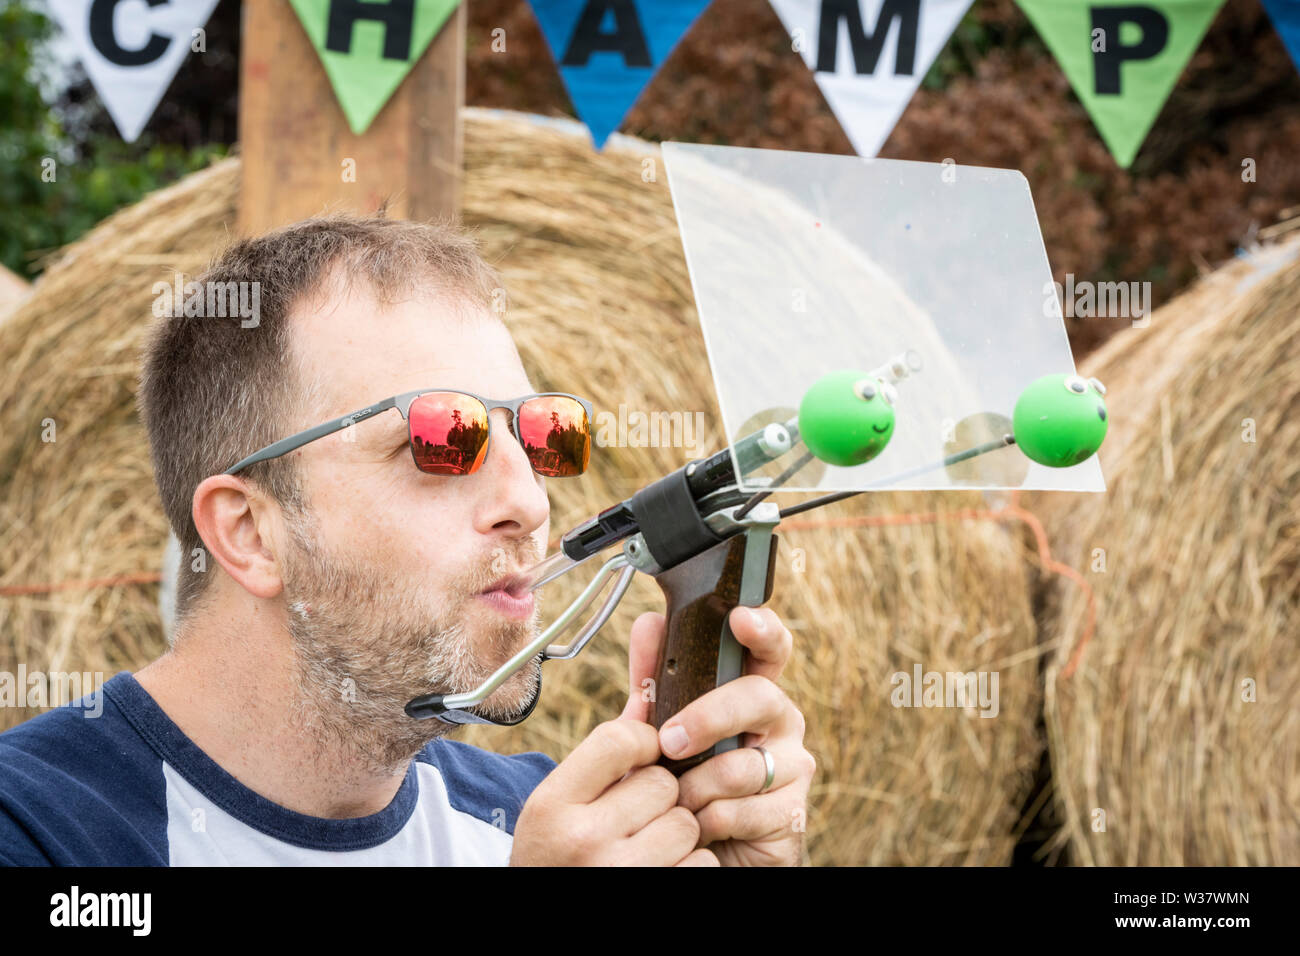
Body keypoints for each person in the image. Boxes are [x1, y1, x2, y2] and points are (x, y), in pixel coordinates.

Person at [0, 214, 814, 866]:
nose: (530, 502)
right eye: (443, 439)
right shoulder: (39, 829)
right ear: (249, 532)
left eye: (541, 437)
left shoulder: (544, 820)